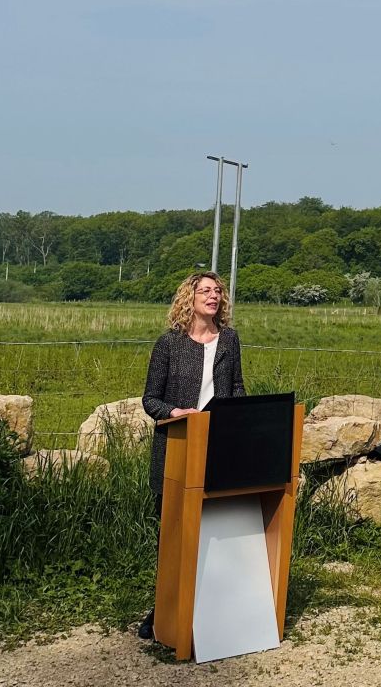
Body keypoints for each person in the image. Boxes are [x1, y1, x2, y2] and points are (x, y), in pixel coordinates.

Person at [137, 271, 246, 639]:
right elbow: (150, 399)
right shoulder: (169, 344)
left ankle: (209, 612)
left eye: (218, 291)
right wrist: (175, 413)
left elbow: (237, 388)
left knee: (213, 531)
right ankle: (163, 612)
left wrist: (238, 421)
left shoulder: (229, 339)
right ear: (190, 298)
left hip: (218, 447)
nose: (213, 296)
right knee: (173, 536)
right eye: (206, 291)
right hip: (177, 448)